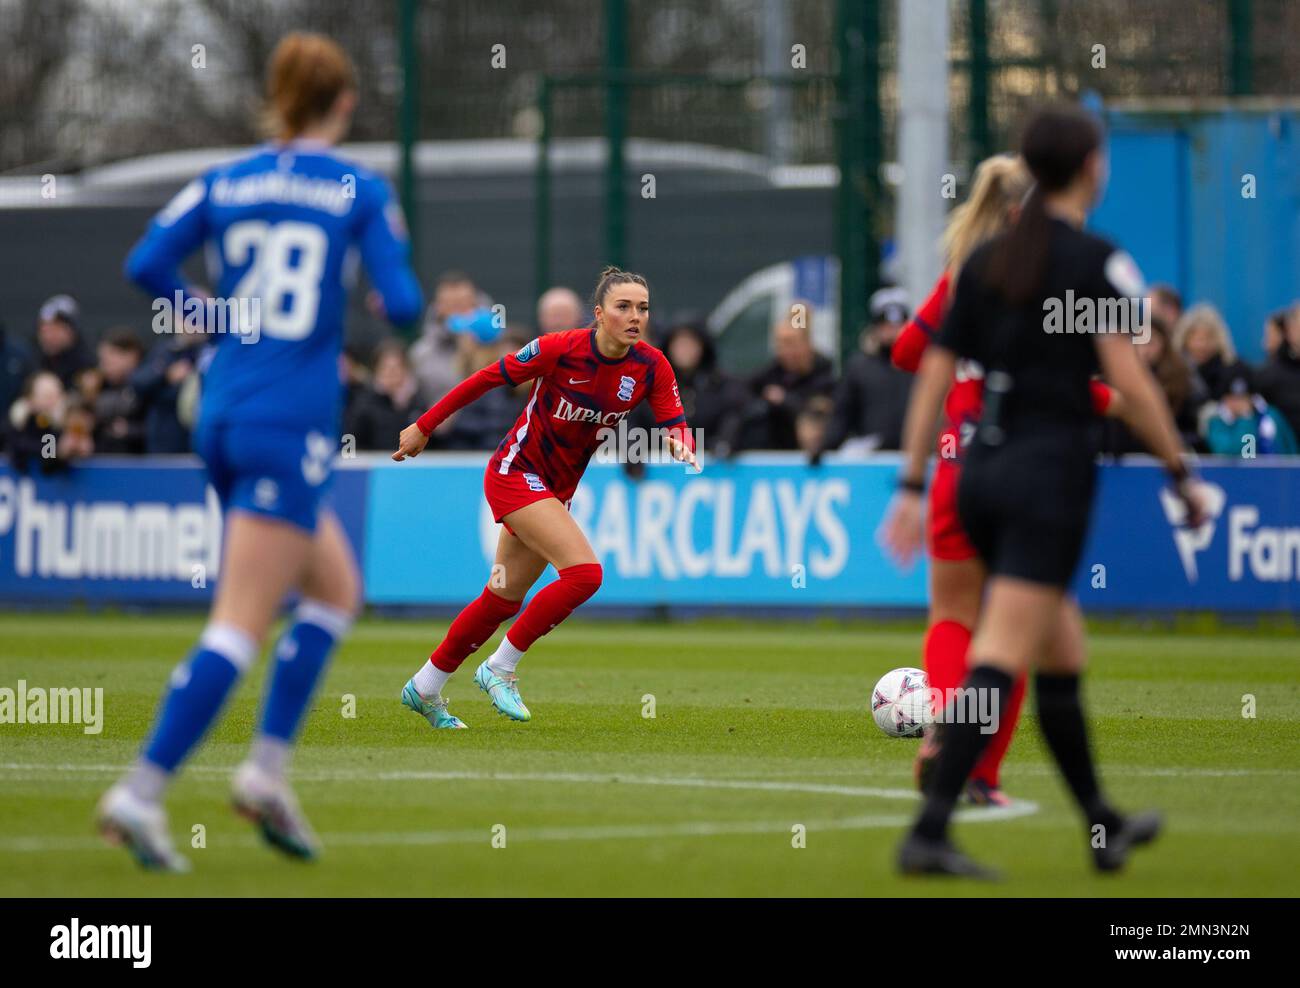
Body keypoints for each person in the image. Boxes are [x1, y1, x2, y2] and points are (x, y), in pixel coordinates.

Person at [97, 32, 423, 872]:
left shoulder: (226, 178)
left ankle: (267, 773)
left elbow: (147, 262)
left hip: (223, 405)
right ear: (344, 103)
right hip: (288, 418)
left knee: (335, 592)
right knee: (239, 627)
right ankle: (139, 792)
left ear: (277, 96)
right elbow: (403, 303)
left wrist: (210, 317)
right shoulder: (358, 188)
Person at [881, 105, 1203, 878]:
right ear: (1091, 166)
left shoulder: (985, 260)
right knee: (1000, 653)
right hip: (1043, 479)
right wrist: (1182, 472)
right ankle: (931, 828)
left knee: (1060, 649)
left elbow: (927, 368)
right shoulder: (1098, 261)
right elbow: (1129, 380)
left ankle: (1102, 822)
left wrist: (914, 482)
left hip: (977, 476)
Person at [392, 266, 697, 728]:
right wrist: (424, 426)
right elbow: (486, 379)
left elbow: (673, 419)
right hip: (515, 473)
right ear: (598, 314)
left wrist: (681, 443)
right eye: (624, 307)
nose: (636, 316)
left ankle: (426, 685)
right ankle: (500, 667)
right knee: (585, 574)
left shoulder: (651, 365)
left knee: (501, 599)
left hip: (555, 490)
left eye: (643, 308)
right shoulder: (561, 348)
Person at [814, 286, 914, 460]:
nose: (892, 331)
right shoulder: (859, 367)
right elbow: (842, 417)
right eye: (885, 325)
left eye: (898, 324)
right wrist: (825, 446)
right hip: (872, 460)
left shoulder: (924, 366)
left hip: (916, 457)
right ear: (875, 327)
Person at [659, 316, 746, 458]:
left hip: (710, 470)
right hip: (662, 469)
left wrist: (724, 442)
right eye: (679, 344)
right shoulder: (654, 387)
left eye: (690, 344)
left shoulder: (722, 386)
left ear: (702, 347)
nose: (684, 350)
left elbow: (734, 418)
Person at [748, 313, 836, 449]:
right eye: (780, 345)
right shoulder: (771, 373)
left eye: (790, 344)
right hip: (774, 454)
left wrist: (784, 400)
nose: (785, 352)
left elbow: (818, 414)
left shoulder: (824, 376)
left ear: (806, 344)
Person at [408, 270, 479, 405]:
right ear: (439, 307)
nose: (458, 312)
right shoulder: (420, 354)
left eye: (463, 304)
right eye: (451, 305)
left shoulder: (496, 348)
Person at [344, 341, 426, 450]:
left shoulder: (418, 403)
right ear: (376, 370)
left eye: (396, 368)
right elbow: (350, 439)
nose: (391, 374)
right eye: (386, 368)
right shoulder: (363, 404)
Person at [1205, 365, 1298, 456]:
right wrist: (1245, 419)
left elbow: (1291, 449)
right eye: (1233, 398)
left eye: (1243, 397)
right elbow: (1233, 453)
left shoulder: (1271, 416)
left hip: (1277, 470)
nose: (1238, 403)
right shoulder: (1217, 423)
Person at [91, 329, 147, 455]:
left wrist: (129, 430)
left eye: (108, 361)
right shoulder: (100, 386)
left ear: (131, 356)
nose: (103, 367)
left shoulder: (149, 387)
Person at [1255, 304, 1300, 440]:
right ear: (1289, 331)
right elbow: (1251, 431)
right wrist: (1249, 457)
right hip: (1282, 458)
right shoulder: (1267, 377)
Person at [35, 295, 95, 388]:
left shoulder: (88, 365)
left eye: (55, 330)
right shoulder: (33, 359)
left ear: (71, 331)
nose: (48, 336)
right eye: (44, 330)